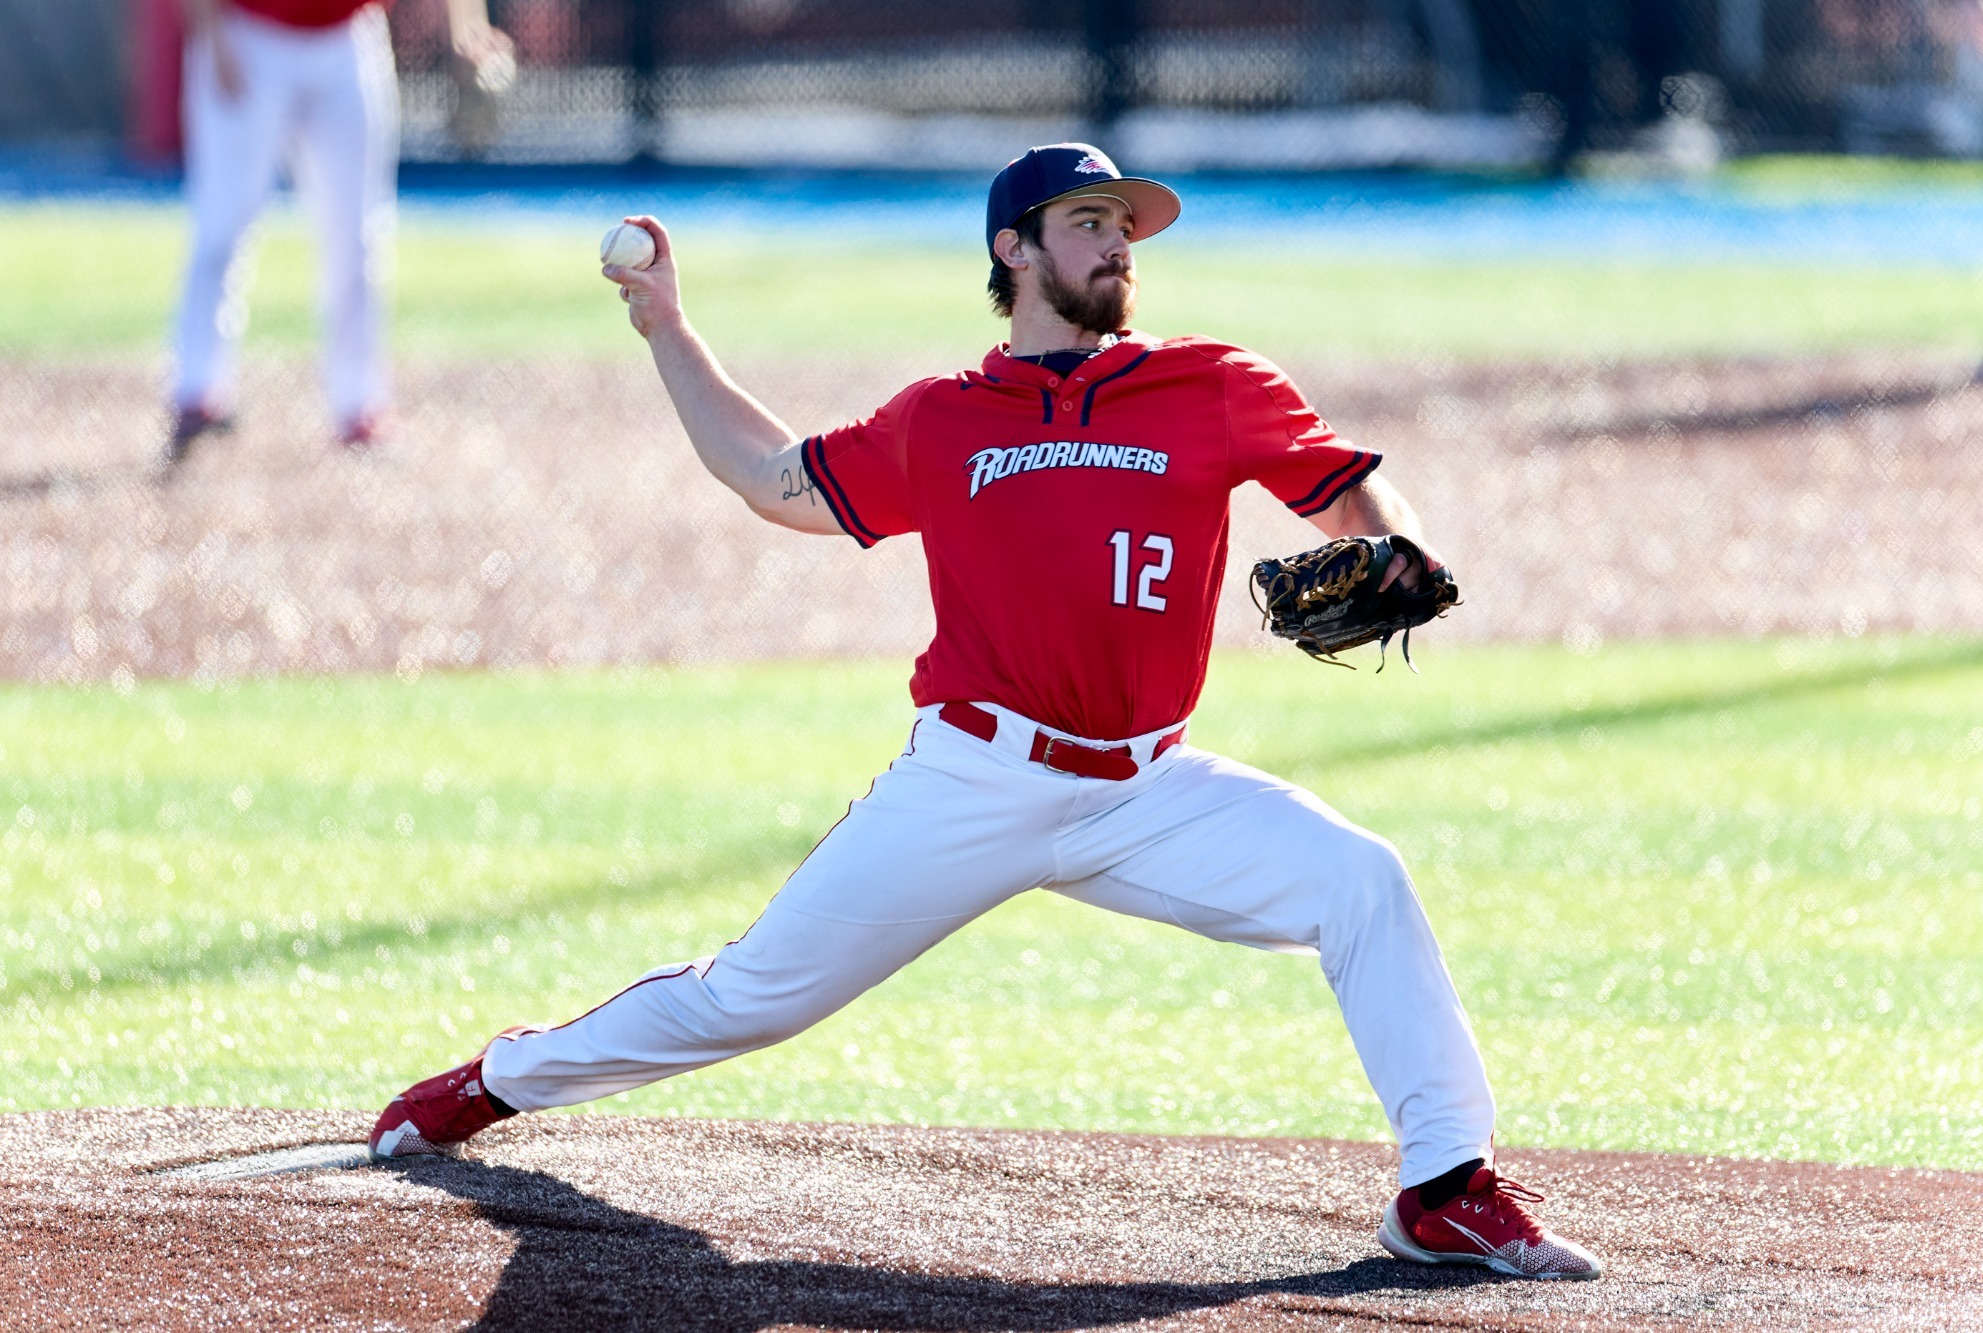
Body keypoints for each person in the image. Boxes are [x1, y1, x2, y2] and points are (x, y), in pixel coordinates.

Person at [365, 144, 1604, 1282]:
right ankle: (497, 1078)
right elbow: (776, 480)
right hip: (972, 781)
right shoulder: (943, 418)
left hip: (1145, 791)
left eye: (1124, 224)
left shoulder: (1207, 384)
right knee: (746, 998)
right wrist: (666, 327)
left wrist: (1390, 549)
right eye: (1086, 221)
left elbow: (1346, 496)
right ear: (1013, 247)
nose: (1117, 243)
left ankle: (1444, 1184)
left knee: (1361, 881)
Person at [165, 0, 511, 460]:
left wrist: (470, 26)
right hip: (248, 33)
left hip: (348, 37)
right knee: (222, 222)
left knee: (359, 232)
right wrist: (210, 35)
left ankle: (359, 404)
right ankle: (198, 390)